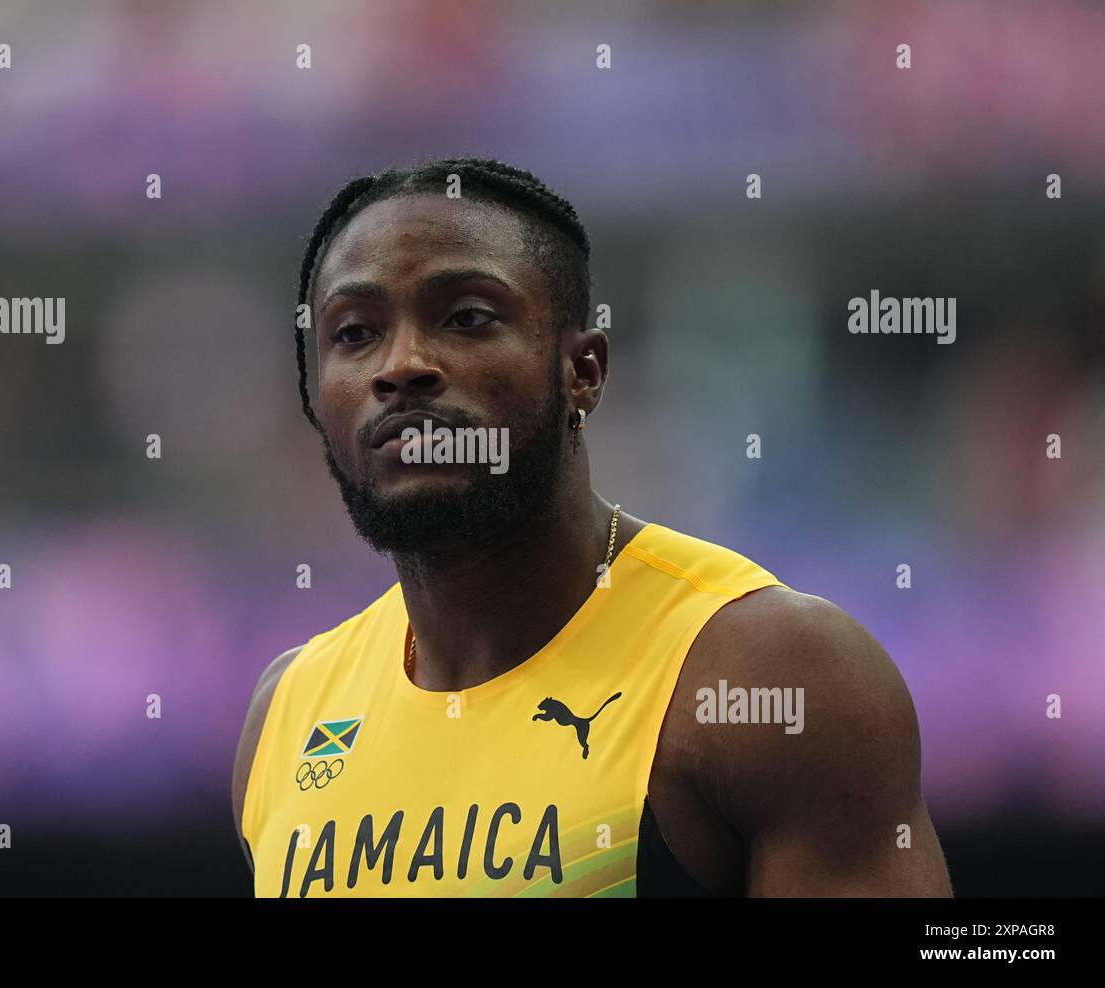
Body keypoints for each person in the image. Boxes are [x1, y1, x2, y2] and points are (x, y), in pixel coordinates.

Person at [231, 157, 953, 897]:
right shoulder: (288, 714)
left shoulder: (768, 673)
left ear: (583, 371)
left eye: (467, 318)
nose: (403, 365)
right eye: (354, 333)